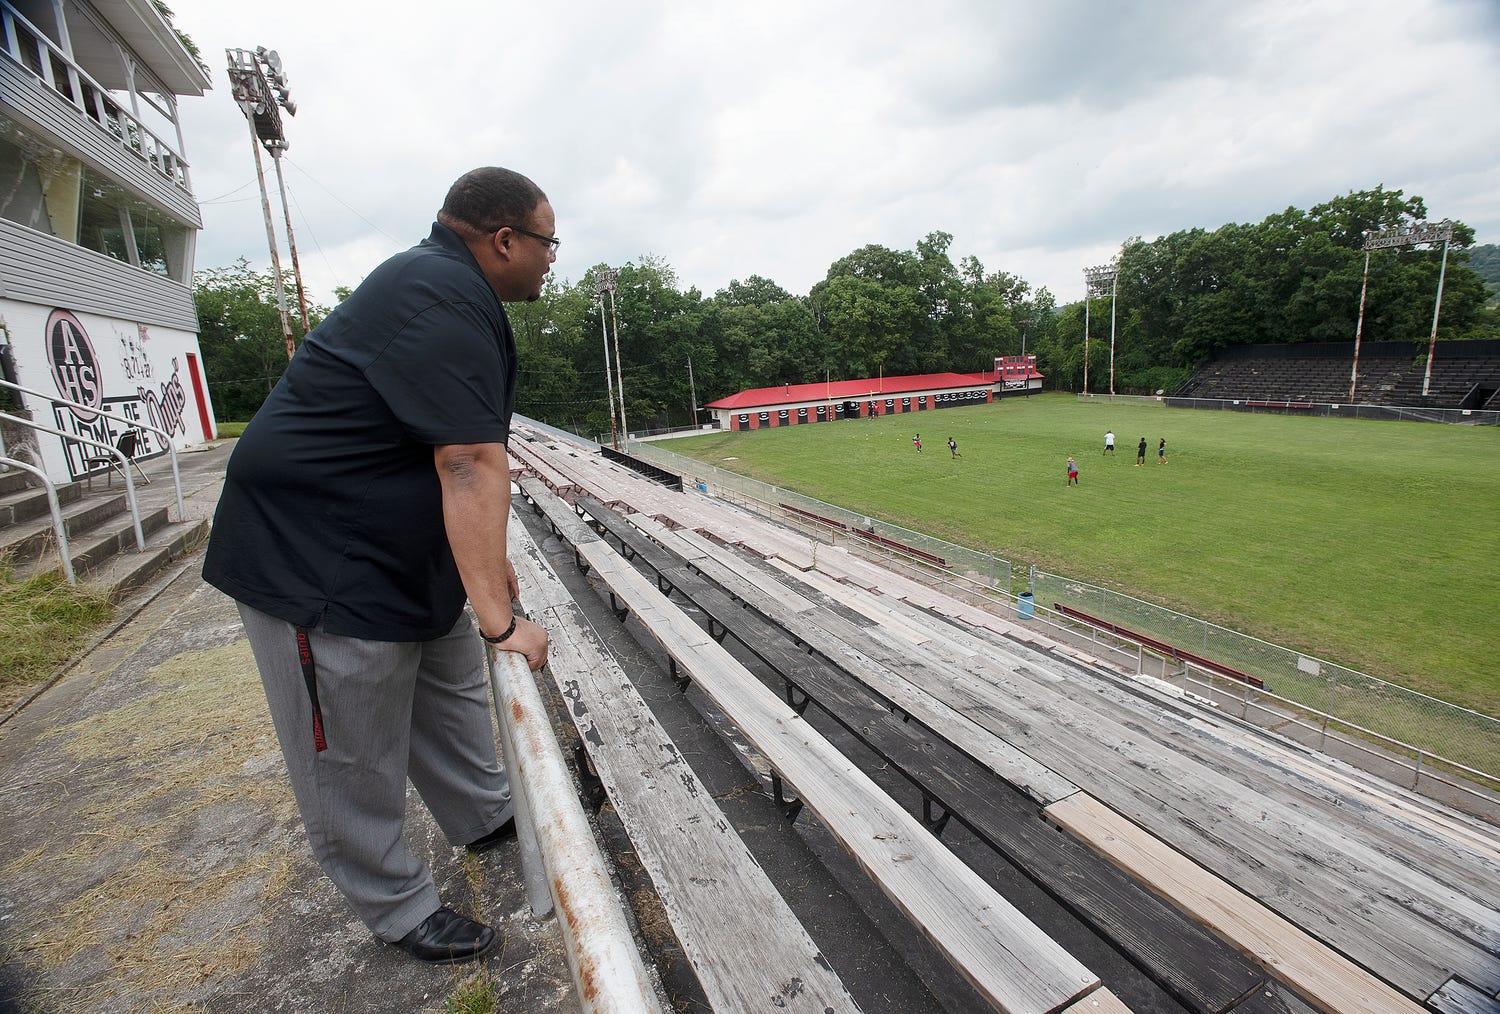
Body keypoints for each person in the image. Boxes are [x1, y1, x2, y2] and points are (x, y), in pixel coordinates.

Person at [201, 167, 554, 965]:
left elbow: (454, 452)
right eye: (548, 243)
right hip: (316, 554)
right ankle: (396, 905)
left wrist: (487, 575)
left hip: (392, 543)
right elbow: (468, 462)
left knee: (447, 677)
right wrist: (502, 622)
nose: (550, 259)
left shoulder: (448, 287)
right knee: (350, 745)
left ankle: (484, 813)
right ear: (505, 240)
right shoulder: (441, 297)